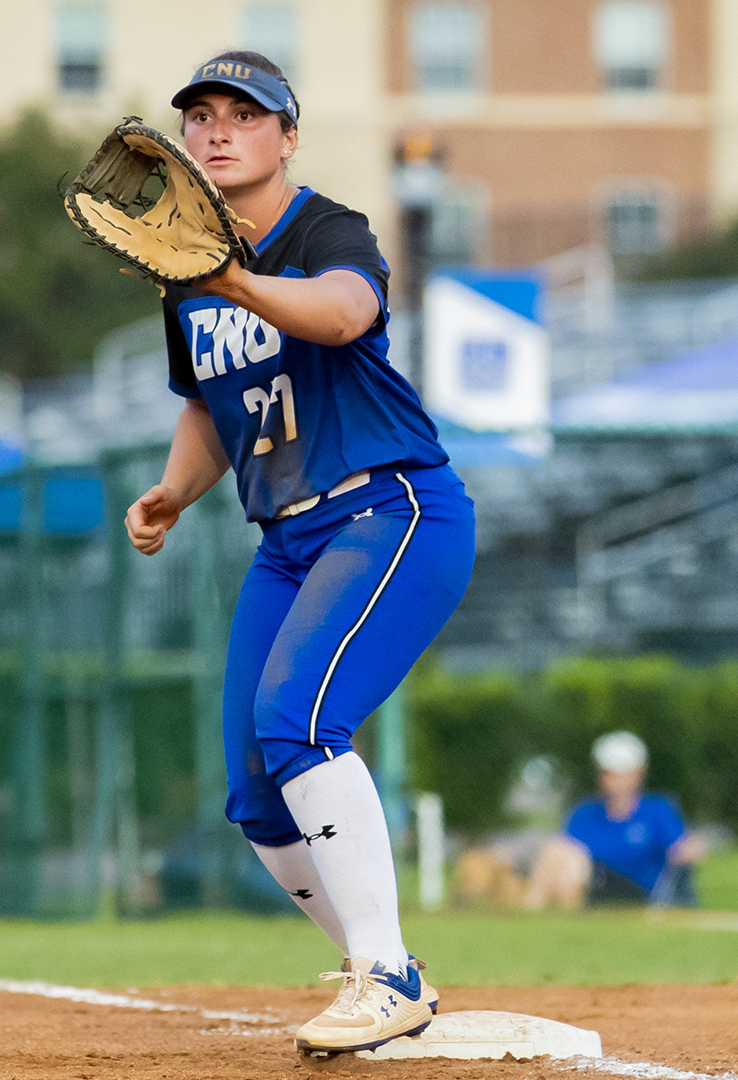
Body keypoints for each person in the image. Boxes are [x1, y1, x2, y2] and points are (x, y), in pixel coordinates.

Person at [124, 51, 475, 1054]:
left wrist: (231, 274)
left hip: (392, 512)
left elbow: (345, 312)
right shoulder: (182, 275)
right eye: (201, 117)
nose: (218, 131)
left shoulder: (325, 227)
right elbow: (209, 399)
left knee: (301, 721)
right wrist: (173, 491)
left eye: (245, 114)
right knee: (253, 789)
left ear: (287, 135)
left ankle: (385, 974)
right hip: (288, 541)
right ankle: (385, 971)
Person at [528, 732, 704, 910]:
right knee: (553, 851)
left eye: (618, 773)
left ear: (638, 774)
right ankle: (538, 907)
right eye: (606, 773)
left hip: (638, 891)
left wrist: (688, 850)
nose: (610, 780)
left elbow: (680, 849)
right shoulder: (584, 813)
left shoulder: (657, 811)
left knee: (568, 859)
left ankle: (537, 907)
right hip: (590, 886)